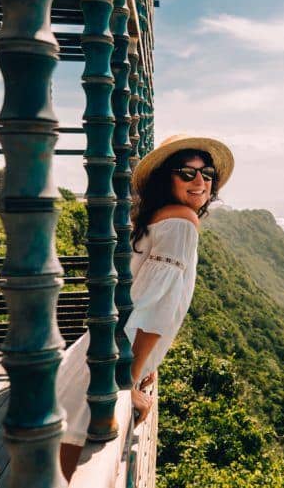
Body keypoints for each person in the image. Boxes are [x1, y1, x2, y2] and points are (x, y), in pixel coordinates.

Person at [58, 134, 234, 481]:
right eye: (186, 173)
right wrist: (131, 380)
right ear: (165, 178)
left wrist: (143, 363)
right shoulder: (182, 222)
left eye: (207, 173)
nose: (200, 181)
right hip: (107, 371)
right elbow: (155, 310)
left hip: (95, 354)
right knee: (73, 473)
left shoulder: (155, 217)